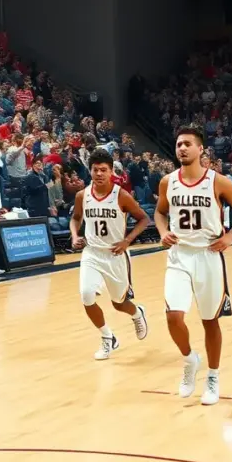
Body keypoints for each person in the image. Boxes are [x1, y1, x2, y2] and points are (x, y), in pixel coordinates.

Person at [154, 127, 232, 405]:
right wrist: (162, 231)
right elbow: (160, 213)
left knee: (210, 321)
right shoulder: (167, 182)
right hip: (179, 255)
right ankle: (189, 359)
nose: (181, 148)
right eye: (178, 144)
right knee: (174, 317)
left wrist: (231, 236)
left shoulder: (217, 181)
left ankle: (213, 375)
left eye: (187, 144)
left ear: (200, 150)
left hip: (209, 255)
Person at [69, 149, 150, 360]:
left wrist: (127, 241)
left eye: (103, 170)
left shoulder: (121, 195)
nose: (99, 174)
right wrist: (74, 235)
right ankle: (108, 338)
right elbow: (76, 218)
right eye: (95, 170)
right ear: (91, 171)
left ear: (111, 171)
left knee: (118, 303)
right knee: (86, 296)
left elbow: (144, 219)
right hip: (92, 253)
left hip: (115, 254)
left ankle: (137, 313)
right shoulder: (82, 195)